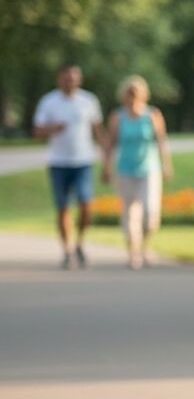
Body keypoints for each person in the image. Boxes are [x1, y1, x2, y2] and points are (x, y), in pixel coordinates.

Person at [32, 63, 106, 269]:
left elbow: (97, 130)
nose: (70, 81)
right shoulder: (49, 101)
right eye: (66, 77)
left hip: (83, 162)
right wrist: (51, 129)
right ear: (59, 79)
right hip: (58, 162)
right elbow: (37, 131)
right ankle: (66, 250)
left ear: (79, 79)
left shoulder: (88, 101)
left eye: (73, 77)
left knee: (85, 206)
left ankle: (79, 243)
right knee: (62, 208)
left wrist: (107, 157)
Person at [101, 76, 173, 269]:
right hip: (125, 170)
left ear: (143, 94)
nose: (132, 96)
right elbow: (109, 145)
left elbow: (161, 141)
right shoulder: (117, 117)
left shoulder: (152, 115)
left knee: (150, 213)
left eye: (135, 92)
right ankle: (133, 253)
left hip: (149, 169)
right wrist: (106, 167)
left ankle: (146, 247)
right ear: (123, 95)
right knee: (129, 214)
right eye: (128, 92)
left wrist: (167, 164)